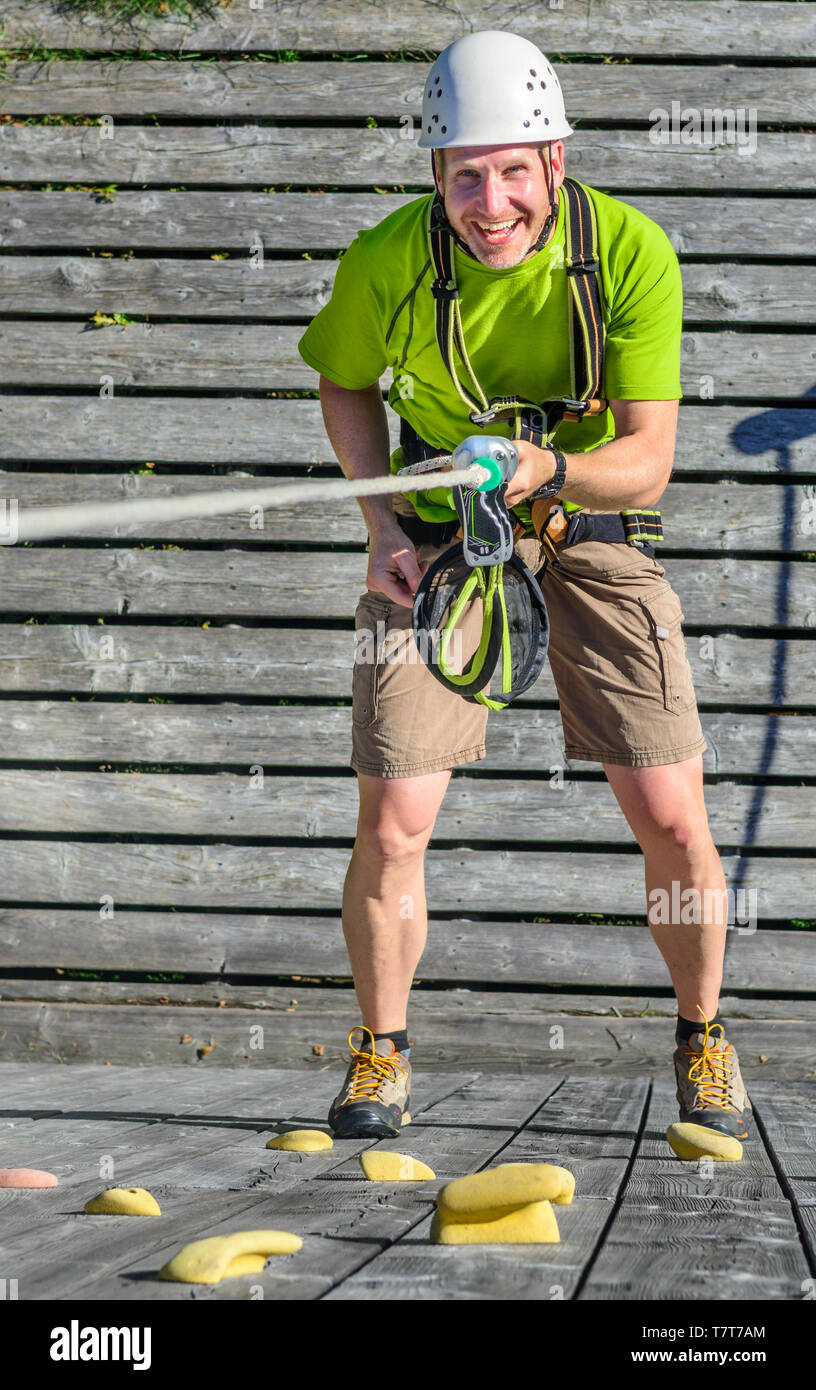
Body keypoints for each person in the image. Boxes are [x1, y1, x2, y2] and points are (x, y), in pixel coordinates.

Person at [297, 31, 750, 1159]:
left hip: (592, 526)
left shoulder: (632, 253)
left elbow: (648, 459)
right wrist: (384, 524)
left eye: (511, 170)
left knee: (673, 816)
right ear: (434, 174)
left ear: (556, 159)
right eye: (463, 174)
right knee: (395, 820)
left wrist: (547, 466)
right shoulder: (387, 260)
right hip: (443, 543)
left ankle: (702, 1032)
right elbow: (343, 380)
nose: (488, 202)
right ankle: (383, 1052)